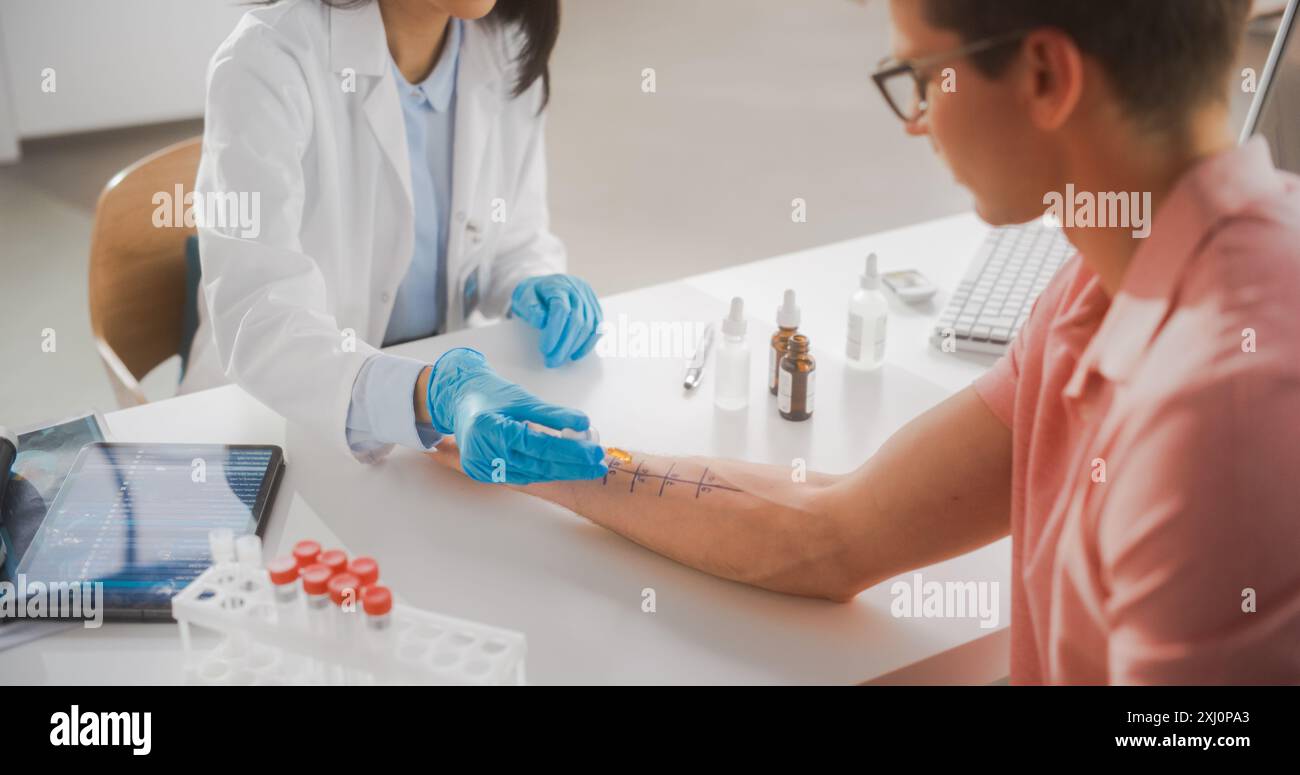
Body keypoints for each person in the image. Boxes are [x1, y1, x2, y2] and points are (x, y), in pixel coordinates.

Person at [433, 0, 1300, 683]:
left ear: (1043, 74)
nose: (916, 121)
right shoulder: (1099, 281)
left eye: (923, 76)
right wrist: (563, 462)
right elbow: (837, 530)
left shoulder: (1221, 411)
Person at [182, 0, 607, 483]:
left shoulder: (505, 47)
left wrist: (533, 281)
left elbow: (514, 237)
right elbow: (263, 318)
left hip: (430, 429)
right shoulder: (265, 59)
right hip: (275, 425)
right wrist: (429, 393)